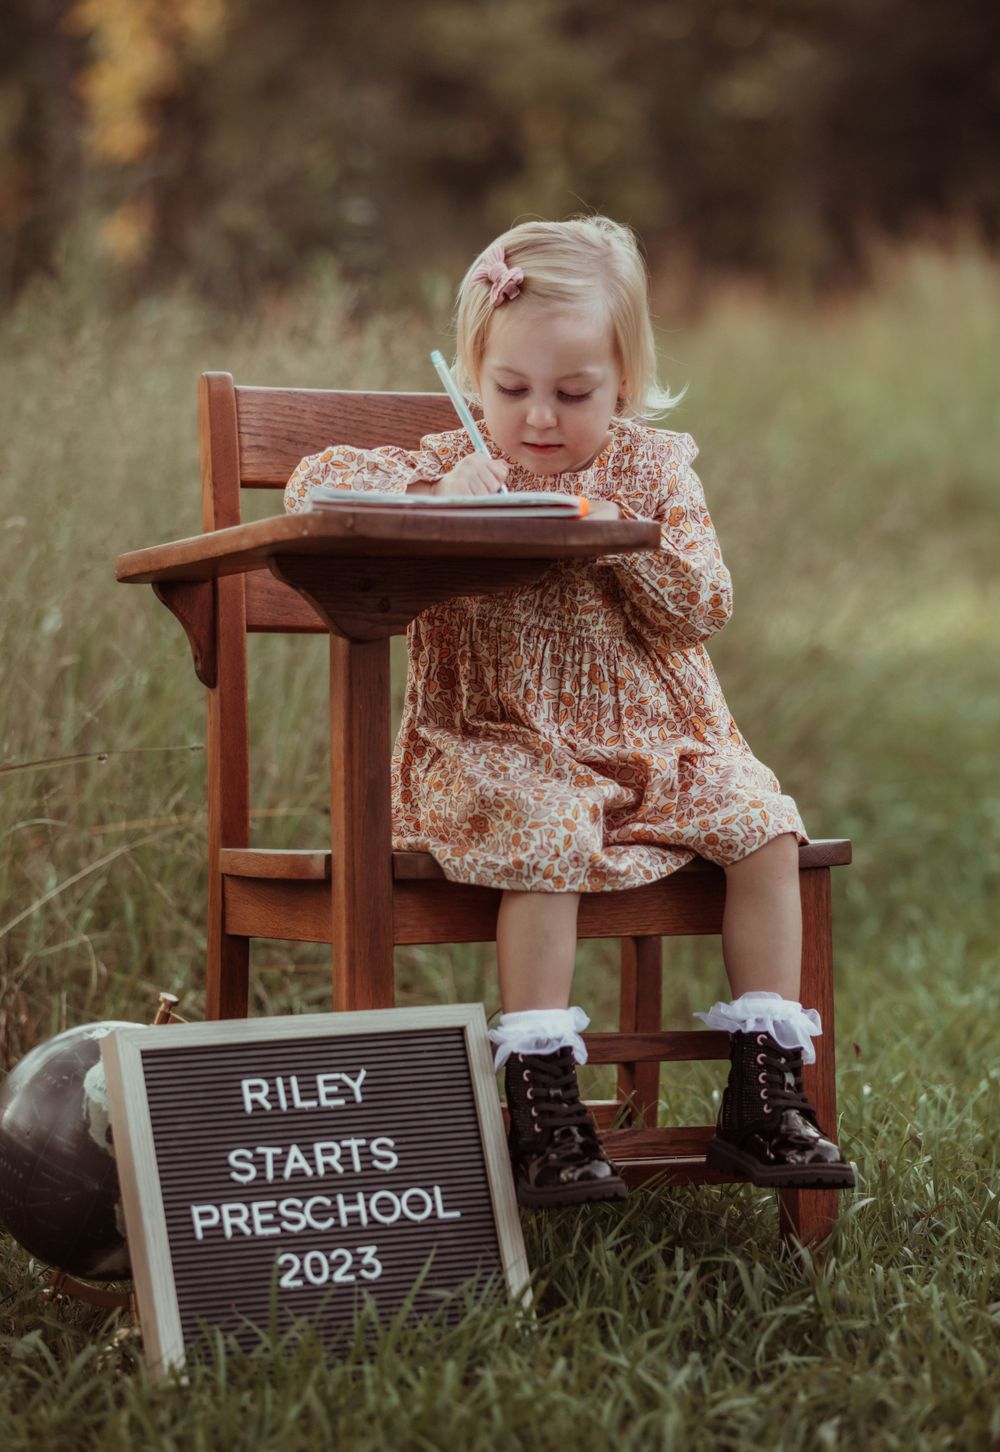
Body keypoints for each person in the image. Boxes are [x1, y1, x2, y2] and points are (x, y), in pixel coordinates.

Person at [285, 215, 855, 1207]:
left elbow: (704, 606)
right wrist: (440, 499)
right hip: (494, 746)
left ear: (624, 384)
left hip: (656, 745)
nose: (539, 419)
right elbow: (310, 487)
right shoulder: (449, 466)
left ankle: (764, 1083)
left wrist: (620, 540)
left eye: (574, 394)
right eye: (510, 392)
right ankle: (541, 1101)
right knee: (545, 825)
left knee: (763, 821)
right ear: (473, 377)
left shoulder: (653, 471)